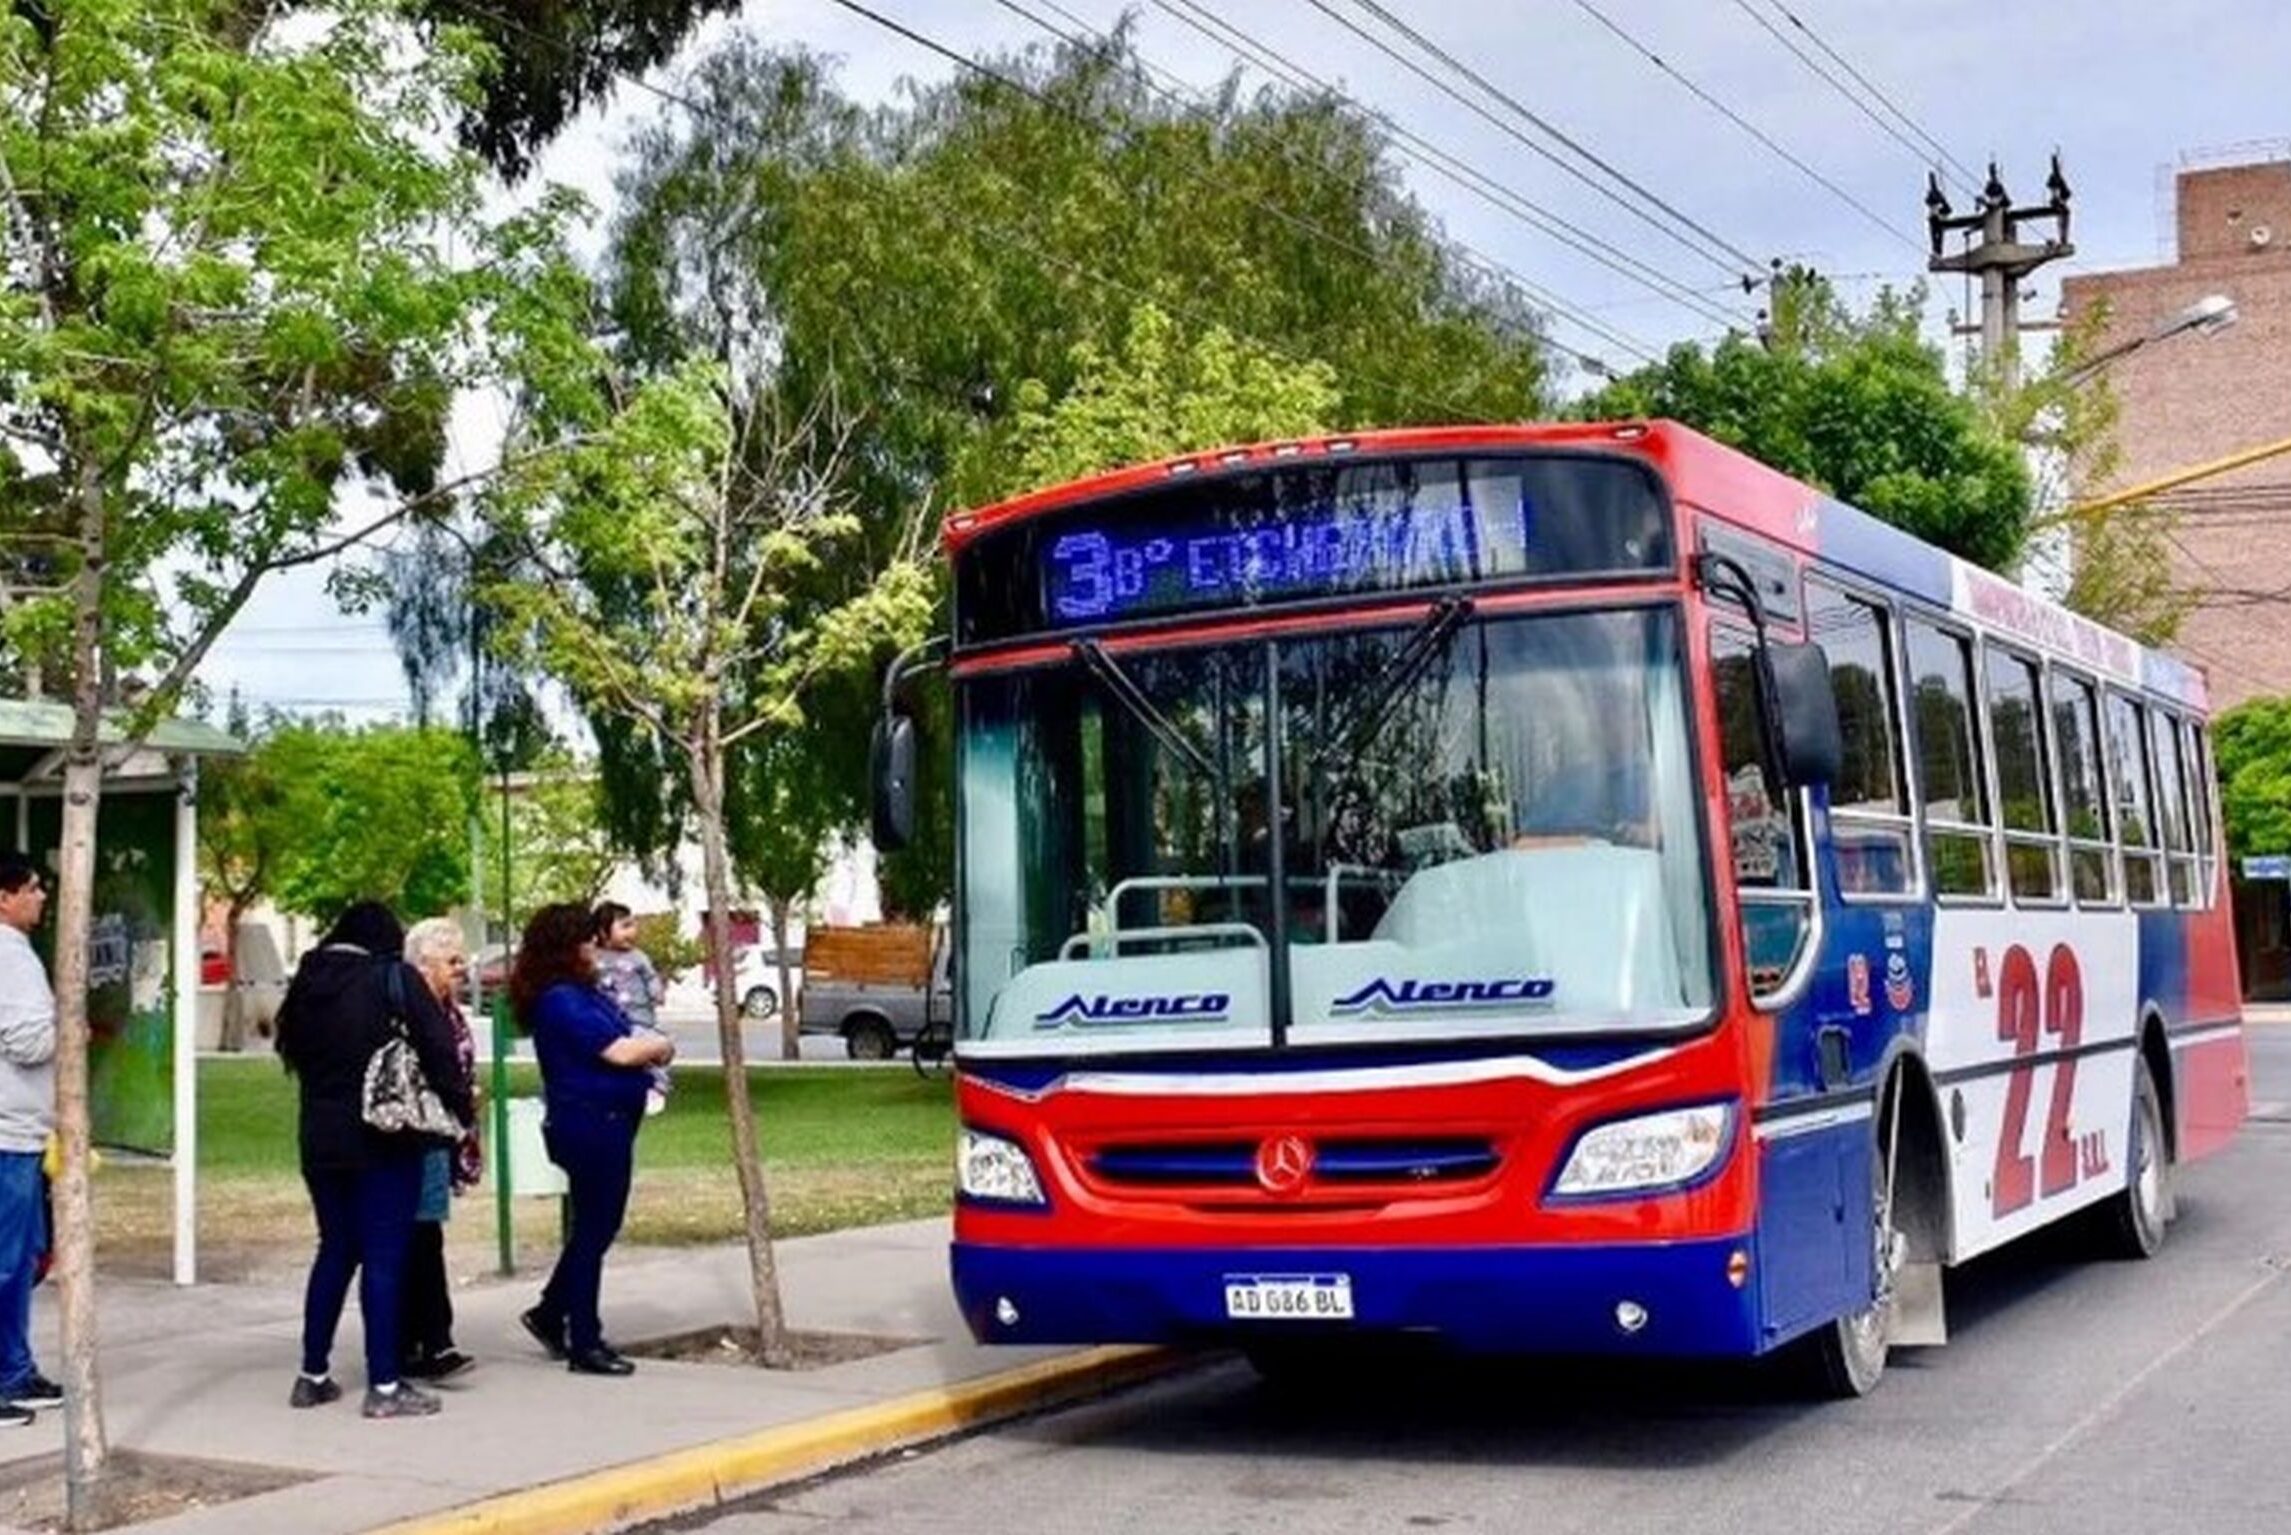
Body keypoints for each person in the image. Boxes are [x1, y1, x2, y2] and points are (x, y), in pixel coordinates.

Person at [276, 901, 472, 1419]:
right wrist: (458, 1110)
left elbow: (290, 1052)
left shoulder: (307, 983)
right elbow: (438, 1049)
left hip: (319, 1138)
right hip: (385, 1137)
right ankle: (384, 1384)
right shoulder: (393, 979)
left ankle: (312, 1373)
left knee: (335, 1248)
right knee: (386, 1256)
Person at [514, 902, 673, 1376]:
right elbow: (621, 1050)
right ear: (566, 948)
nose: (593, 951)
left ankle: (549, 1311)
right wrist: (662, 1046)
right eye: (586, 942)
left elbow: (626, 1029)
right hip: (589, 1123)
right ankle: (585, 1338)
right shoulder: (561, 999)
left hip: (610, 1120)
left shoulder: (585, 993)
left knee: (597, 1226)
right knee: (594, 1230)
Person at [398, 918, 482, 1383]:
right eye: (451, 962)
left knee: (425, 1235)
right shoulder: (413, 1010)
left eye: (461, 960)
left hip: (442, 1133)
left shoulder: (447, 1010)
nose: (460, 969)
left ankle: (423, 1338)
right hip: (419, 1134)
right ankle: (430, 1340)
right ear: (423, 964)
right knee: (421, 1235)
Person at [0, 852, 58, 1428]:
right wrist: (68, 1023)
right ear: (4, 897)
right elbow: (27, 1043)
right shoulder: (12, 958)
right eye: (34, 888)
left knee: (22, 1262)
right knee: (7, 1261)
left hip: (20, 1131)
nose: (42, 897)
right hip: (8, 1133)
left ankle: (16, 1369)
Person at [589, 903, 670, 1115]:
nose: (632, 932)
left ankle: (658, 1088)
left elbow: (650, 977)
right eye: (624, 926)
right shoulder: (594, 957)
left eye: (633, 925)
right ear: (602, 932)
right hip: (608, 1019)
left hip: (639, 1017)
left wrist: (656, 992)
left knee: (653, 1048)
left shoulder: (638, 957)